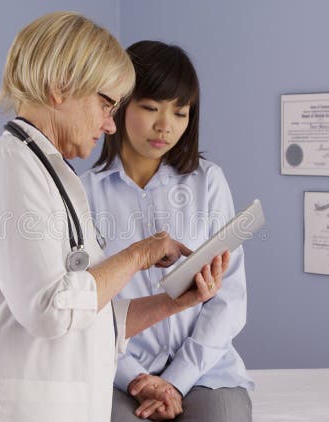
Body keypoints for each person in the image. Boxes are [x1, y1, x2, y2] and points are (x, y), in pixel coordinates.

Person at [0, 14, 230, 422]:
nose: (110, 124)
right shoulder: (9, 167)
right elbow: (51, 309)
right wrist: (138, 255)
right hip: (10, 404)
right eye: (106, 104)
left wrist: (173, 303)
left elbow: (90, 314)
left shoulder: (53, 174)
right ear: (60, 88)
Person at [81, 40, 254, 421]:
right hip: (118, 372)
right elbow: (88, 305)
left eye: (180, 112)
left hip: (205, 370)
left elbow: (229, 297)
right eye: (150, 108)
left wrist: (176, 380)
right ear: (119, 104)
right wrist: (136, 378)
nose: (166, 126)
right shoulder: (84, 194)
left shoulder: (209, 183)